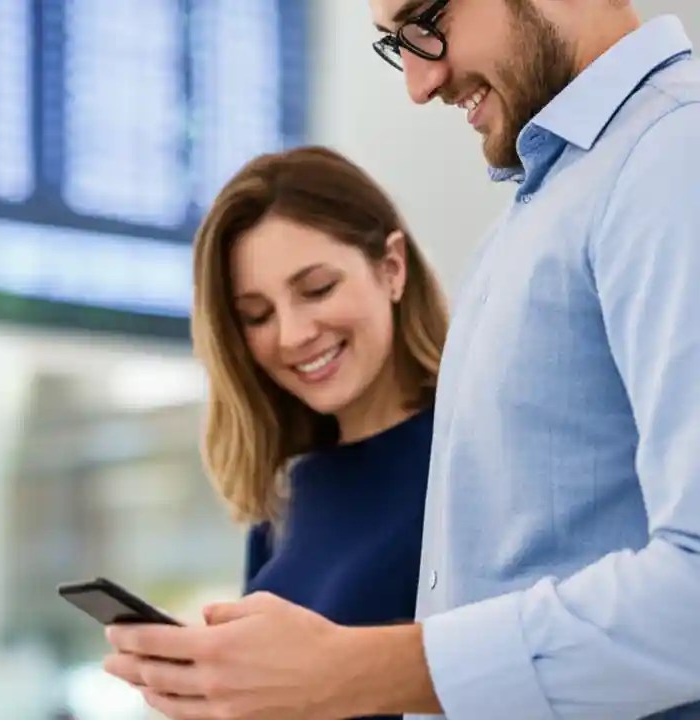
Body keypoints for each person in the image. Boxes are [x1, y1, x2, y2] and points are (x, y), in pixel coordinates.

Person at [102, 3, 700, 719]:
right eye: (400, 45)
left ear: (389, 269)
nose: (420, 82)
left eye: (426, 19)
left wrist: (350, 672)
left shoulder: (672, 156)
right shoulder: (541, 212)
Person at [196, 147, 446, 656]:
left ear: (392, 268)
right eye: (257, 315)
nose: (291, 336)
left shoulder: (470, 456)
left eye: (316, 289)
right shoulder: (284, 500)